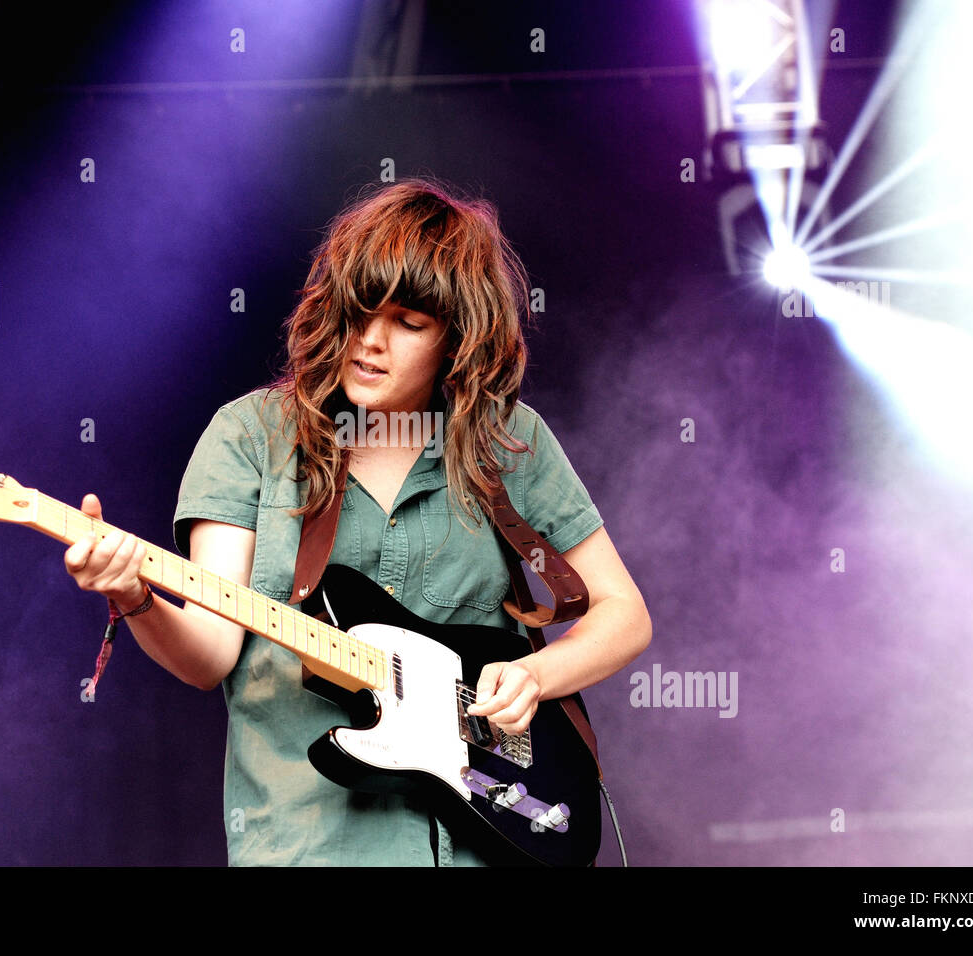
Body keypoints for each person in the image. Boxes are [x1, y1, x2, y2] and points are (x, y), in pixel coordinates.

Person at [63, 179, 651, 866]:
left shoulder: (509, 441)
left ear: (457, 339)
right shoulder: (250, 437)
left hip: (486, 845)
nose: (371, 342)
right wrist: (133, 596)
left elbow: (624, 612)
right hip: (309, 847)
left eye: (409, 322)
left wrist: (538, 676)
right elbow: (210, 656)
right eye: (361, 311)